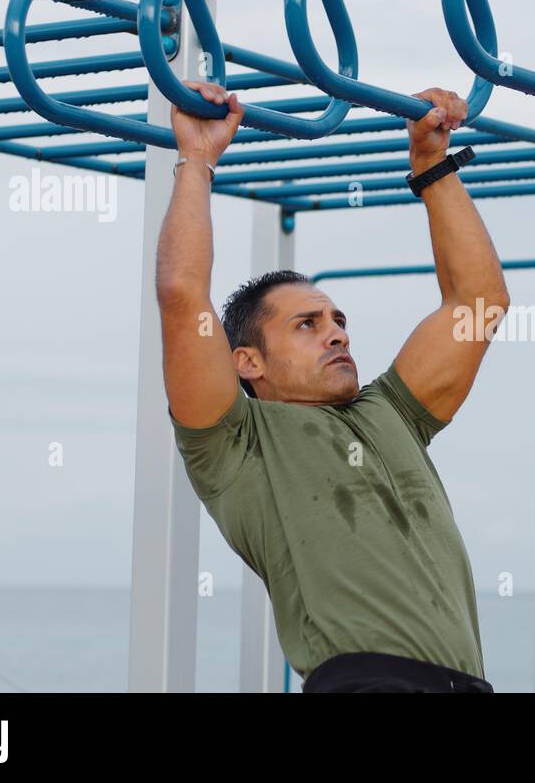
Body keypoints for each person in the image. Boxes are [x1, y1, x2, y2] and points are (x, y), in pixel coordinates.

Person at [156, 80, 507, 693]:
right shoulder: (234, 445)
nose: (337, 333)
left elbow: (480, 303)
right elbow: (184, 301)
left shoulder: (390, 412)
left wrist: (431, 165)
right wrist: (197, 160)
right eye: (307, 324)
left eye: (338, 320)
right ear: (248, 363)